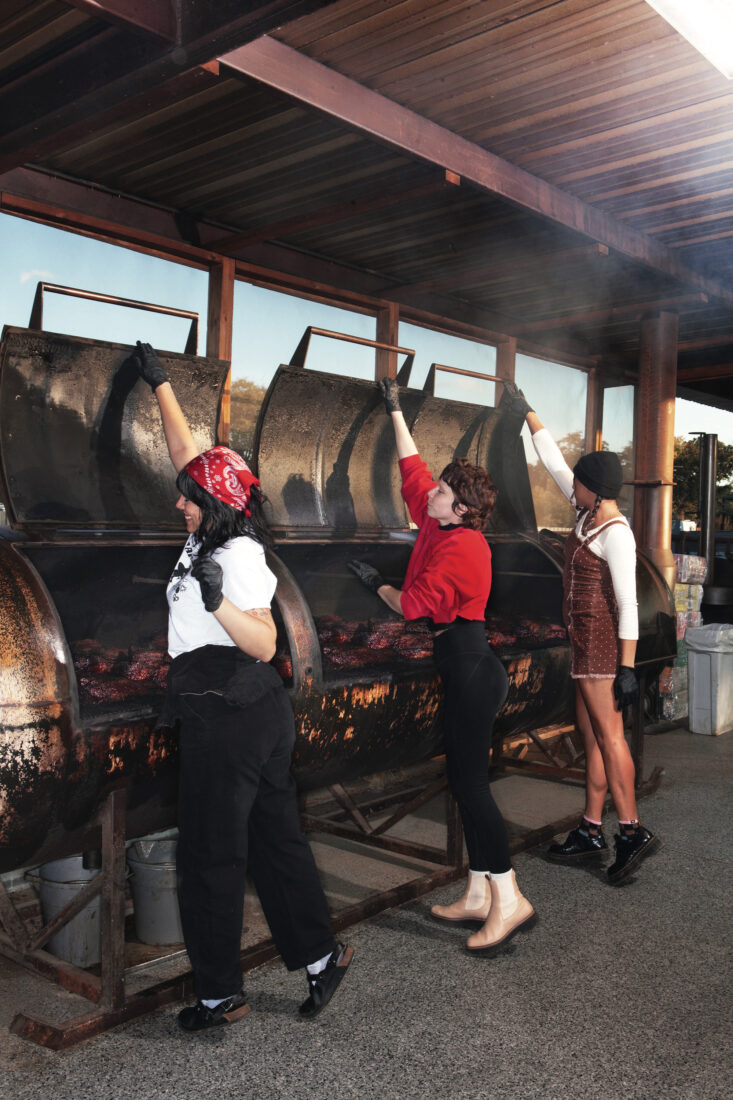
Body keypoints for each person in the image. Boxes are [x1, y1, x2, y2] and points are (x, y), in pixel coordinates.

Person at [132, 341, 353, 1031]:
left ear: (213, 506)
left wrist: (218, 598)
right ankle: (321, 960)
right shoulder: (214, 524)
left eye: (189, 499)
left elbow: (262, 642)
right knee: (275, 841)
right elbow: (187, 458)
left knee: (210, 854)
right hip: (249, 714)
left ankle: (217, 994)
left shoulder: (236, 555)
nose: (179, 502)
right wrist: (161, 385)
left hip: (228, 708)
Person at [349, 378, 535, 954]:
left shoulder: (463, 549)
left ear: (460, 506)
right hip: (461, 663)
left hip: (474, 670)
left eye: (442, 491)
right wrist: (395, 410)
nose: (429, 493)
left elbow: (409, 606)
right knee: (462, 780)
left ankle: (510, 899)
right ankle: (478, 893)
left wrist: (376, 583)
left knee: (472, 787)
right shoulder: (441, 517)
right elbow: (412, 467)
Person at [501, 381, 659, 884]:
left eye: (580, 484)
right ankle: (592, 829)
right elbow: (554, 463)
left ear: (594, 488)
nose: (572, 487)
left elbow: (629, 603)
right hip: (584, 644)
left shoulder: (615, 533)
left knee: (610, 738)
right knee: (590, 736)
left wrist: (629, 668)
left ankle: (631, 831)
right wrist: (529, 412)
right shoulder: (589, 512)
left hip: (602, 649)